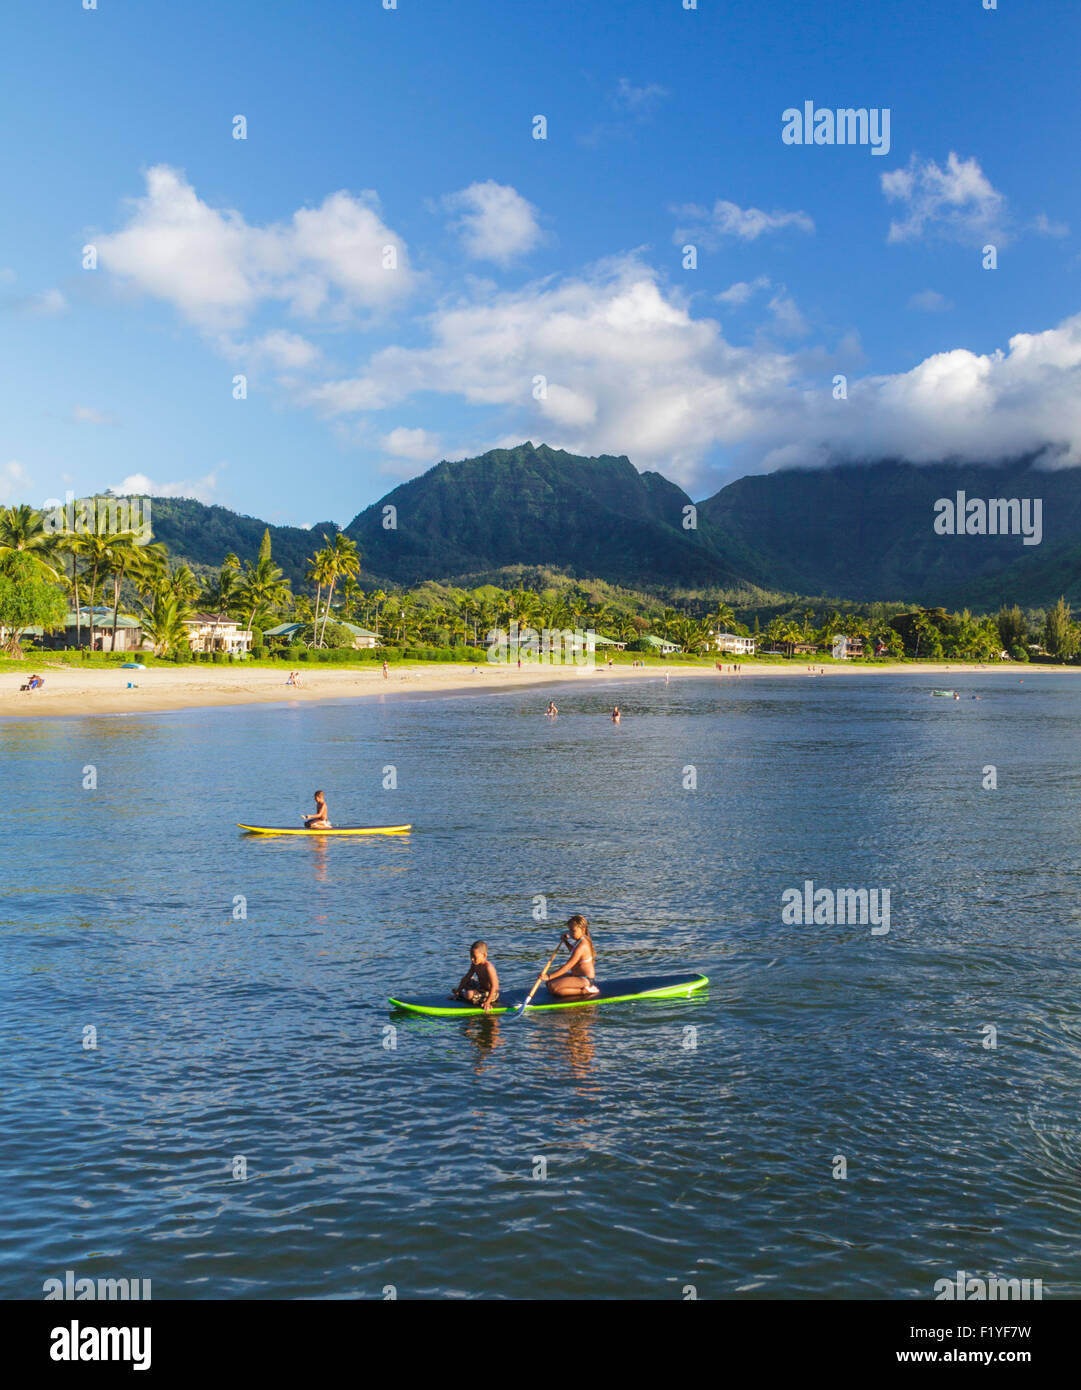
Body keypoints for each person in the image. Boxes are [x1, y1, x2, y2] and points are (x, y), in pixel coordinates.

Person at [544, 915, 599, 998]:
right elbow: (573, 951)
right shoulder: (580, 940)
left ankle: (584, 991)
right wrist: (565, 942)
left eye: (573, 931)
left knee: (553, 987)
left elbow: (568, 966)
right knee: (548, 983)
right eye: (569, 930)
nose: (570, 933)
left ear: (583, 930)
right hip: (575, 976)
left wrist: (548, 976)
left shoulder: (582, 945)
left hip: (585, 979)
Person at [450, 941, 500, 1012]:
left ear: (484, 955)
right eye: (471, 956)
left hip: (492, 993)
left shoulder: (488, 967)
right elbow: (466, 978)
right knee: (467, 980)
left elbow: (494, 986)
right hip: (481, 987)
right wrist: (457, 992)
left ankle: (463, 995)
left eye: (474, 957)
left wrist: (488, 1002)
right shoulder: (474, 964)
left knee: (469, 994)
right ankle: (460, 994)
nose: (472, 959)